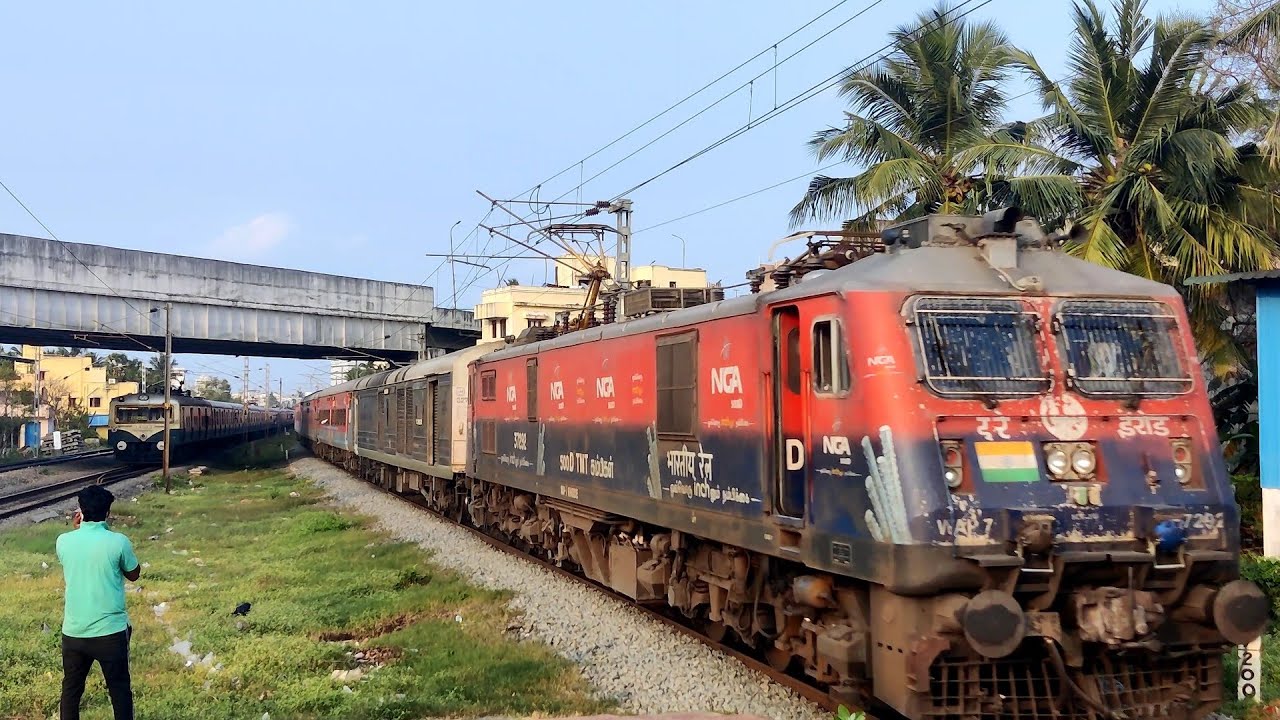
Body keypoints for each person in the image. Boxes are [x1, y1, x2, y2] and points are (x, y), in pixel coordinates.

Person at [55, 485, 141, 720]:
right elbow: (134, 574)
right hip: (110, 633)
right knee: (119, 690)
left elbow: (77, 554)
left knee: (71, 691)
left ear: (80, 512)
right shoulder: (118, 542)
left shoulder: (63, 541)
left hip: (74, 632)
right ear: (108, 512)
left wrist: (78, 529)